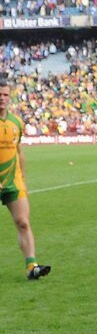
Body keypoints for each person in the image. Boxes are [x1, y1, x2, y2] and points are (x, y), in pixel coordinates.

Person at [0, 78, 50, 280]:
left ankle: (32, 266)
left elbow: (19, 151)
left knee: (23, 222)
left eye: (5, 94)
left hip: (13, 182)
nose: (2, 98)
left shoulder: (16, 122)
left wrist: (23, 178)